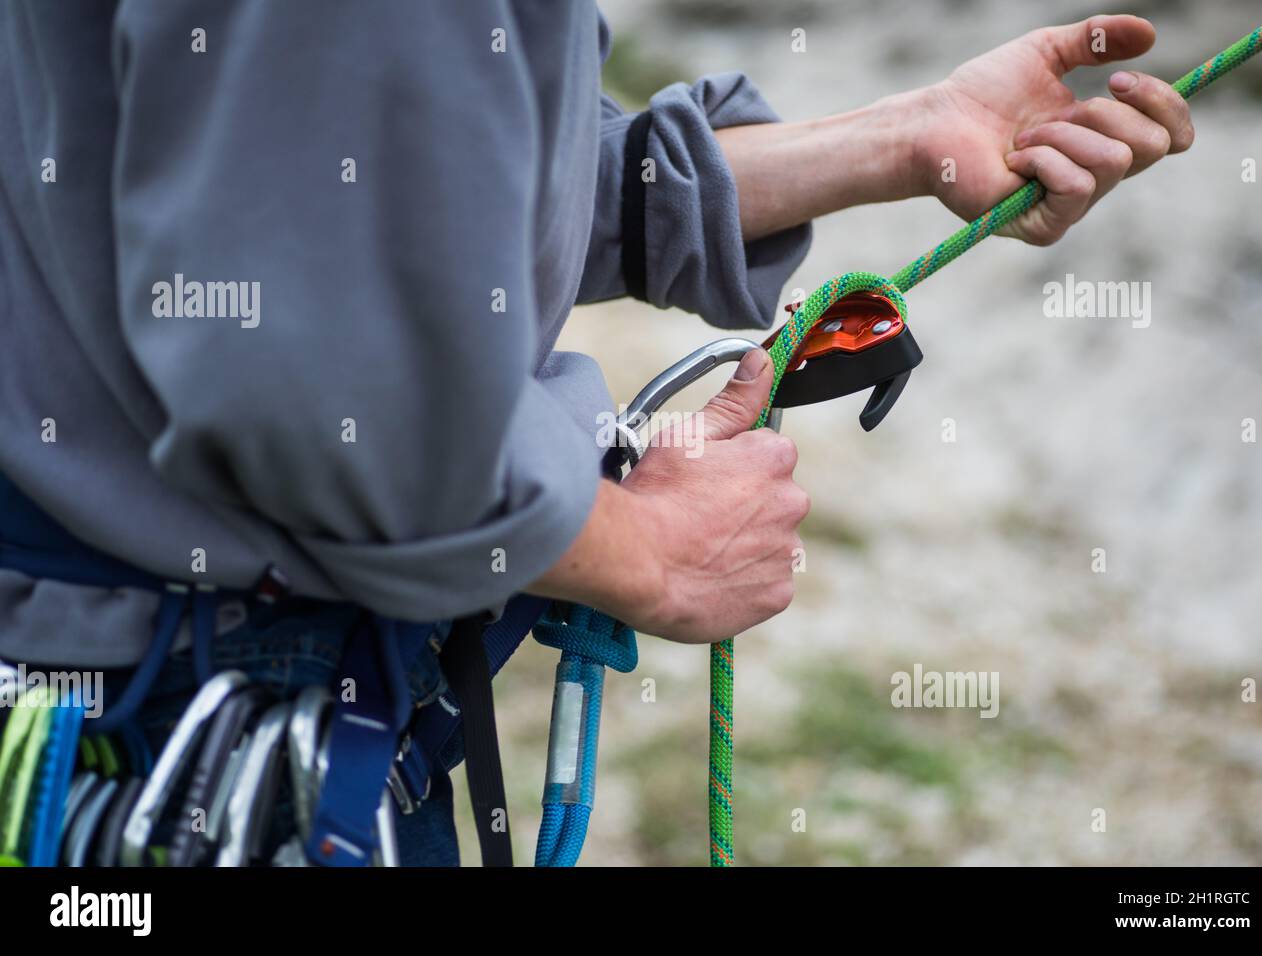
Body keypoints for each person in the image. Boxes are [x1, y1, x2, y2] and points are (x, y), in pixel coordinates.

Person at [0, 2, 1192, 864]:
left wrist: (904, 137)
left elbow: (431, 187)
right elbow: (334, 409)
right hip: (205, 718)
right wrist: (650, 547)